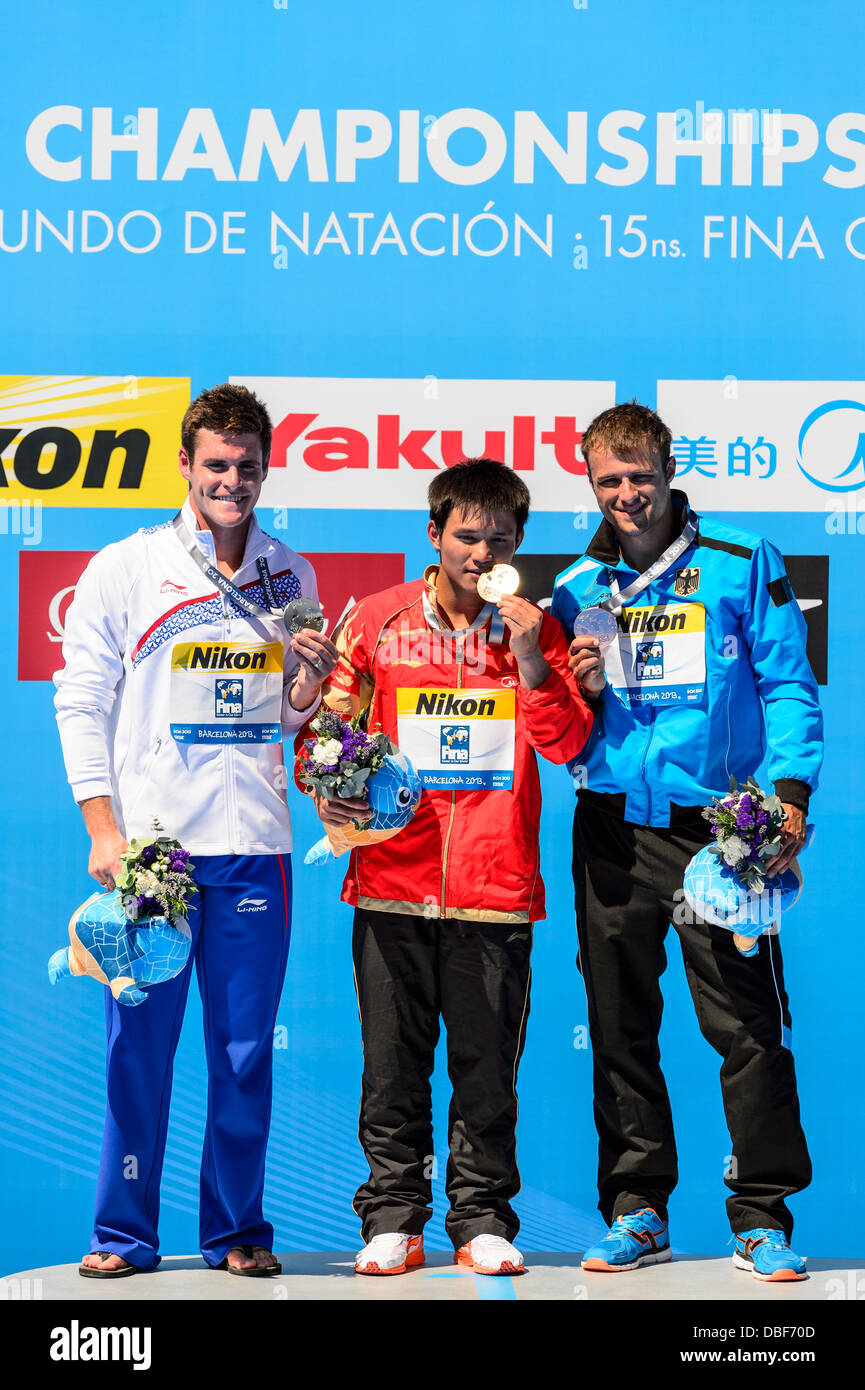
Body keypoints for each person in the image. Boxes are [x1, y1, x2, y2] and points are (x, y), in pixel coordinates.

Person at [54, 383, 338, 1278]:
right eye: (216, 464)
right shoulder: (126, 566)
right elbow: (82, 697)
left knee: (244, 1052)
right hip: (152, 852)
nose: (232, 480)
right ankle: (124, 1236)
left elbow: (289, 720)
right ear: (185, 464)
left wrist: (306, 687)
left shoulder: (292, 575)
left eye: (248, 465)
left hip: (256, 842)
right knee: (137, 1048)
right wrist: (103, 826)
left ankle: (237, 1231)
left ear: (265, 467)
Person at [551, 401, 823, 1282]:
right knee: (619, 1027)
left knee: (746, 1028)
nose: (625, 494)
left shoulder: (742, 560)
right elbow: (560, 725)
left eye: (639, 475)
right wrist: (579, 693)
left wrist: (786, 797)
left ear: (669, 470)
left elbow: (788, 684)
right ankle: (636, 1211)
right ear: (588, 482)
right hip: (612, 832)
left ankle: (761, 1214)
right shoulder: (574, 590)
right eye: (607, 480)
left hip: (722, 833)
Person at [306, 459, 593, 1277]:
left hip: (493, 890)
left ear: (518, 544)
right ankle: (392, 1217)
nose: (481, 551)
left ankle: (481, 1218)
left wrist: (534, 658)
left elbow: (569, 744)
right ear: (434, 536)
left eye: (498, 538)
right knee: (391, 1070)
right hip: (391, 884)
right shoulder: (378, 618)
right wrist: (329, 793)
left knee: (485, 1074)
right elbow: (324, 736)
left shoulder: (538, 627)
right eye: (466, 535)